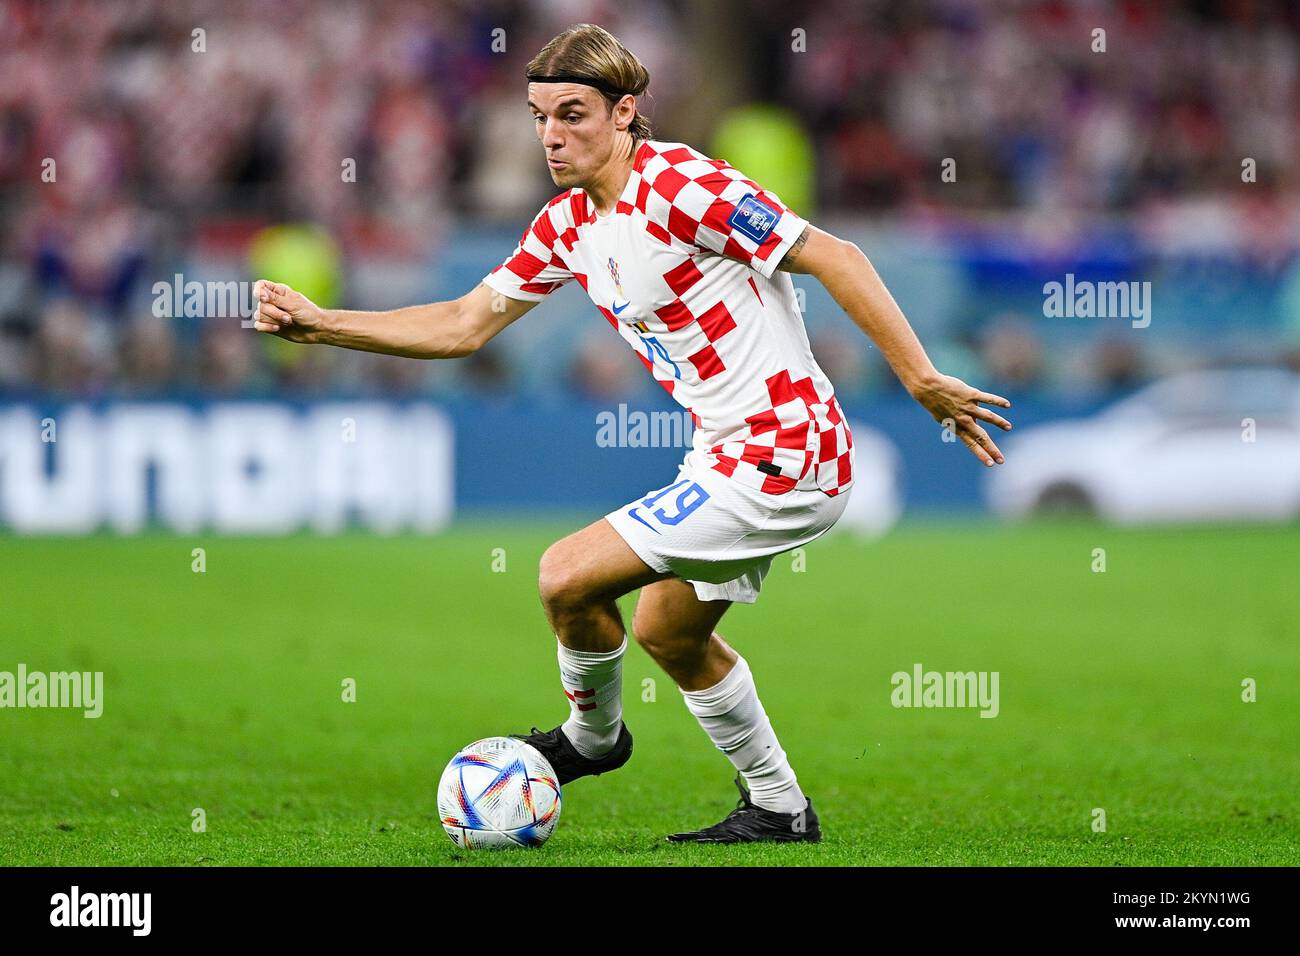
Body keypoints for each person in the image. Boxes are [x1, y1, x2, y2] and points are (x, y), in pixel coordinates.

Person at [251, 23, 1012, 843]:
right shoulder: (565, 225)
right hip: (725, 452)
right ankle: (781, 810)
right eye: (540, 116)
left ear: (625, 114)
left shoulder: (684, 185)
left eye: (572, 114)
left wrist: (920, 378)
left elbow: (839, 256)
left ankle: (592, 740)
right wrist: (327, 326)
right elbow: (463, 325)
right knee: (667, 633)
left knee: (564, 577)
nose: (551, 134)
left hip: (787, 450)